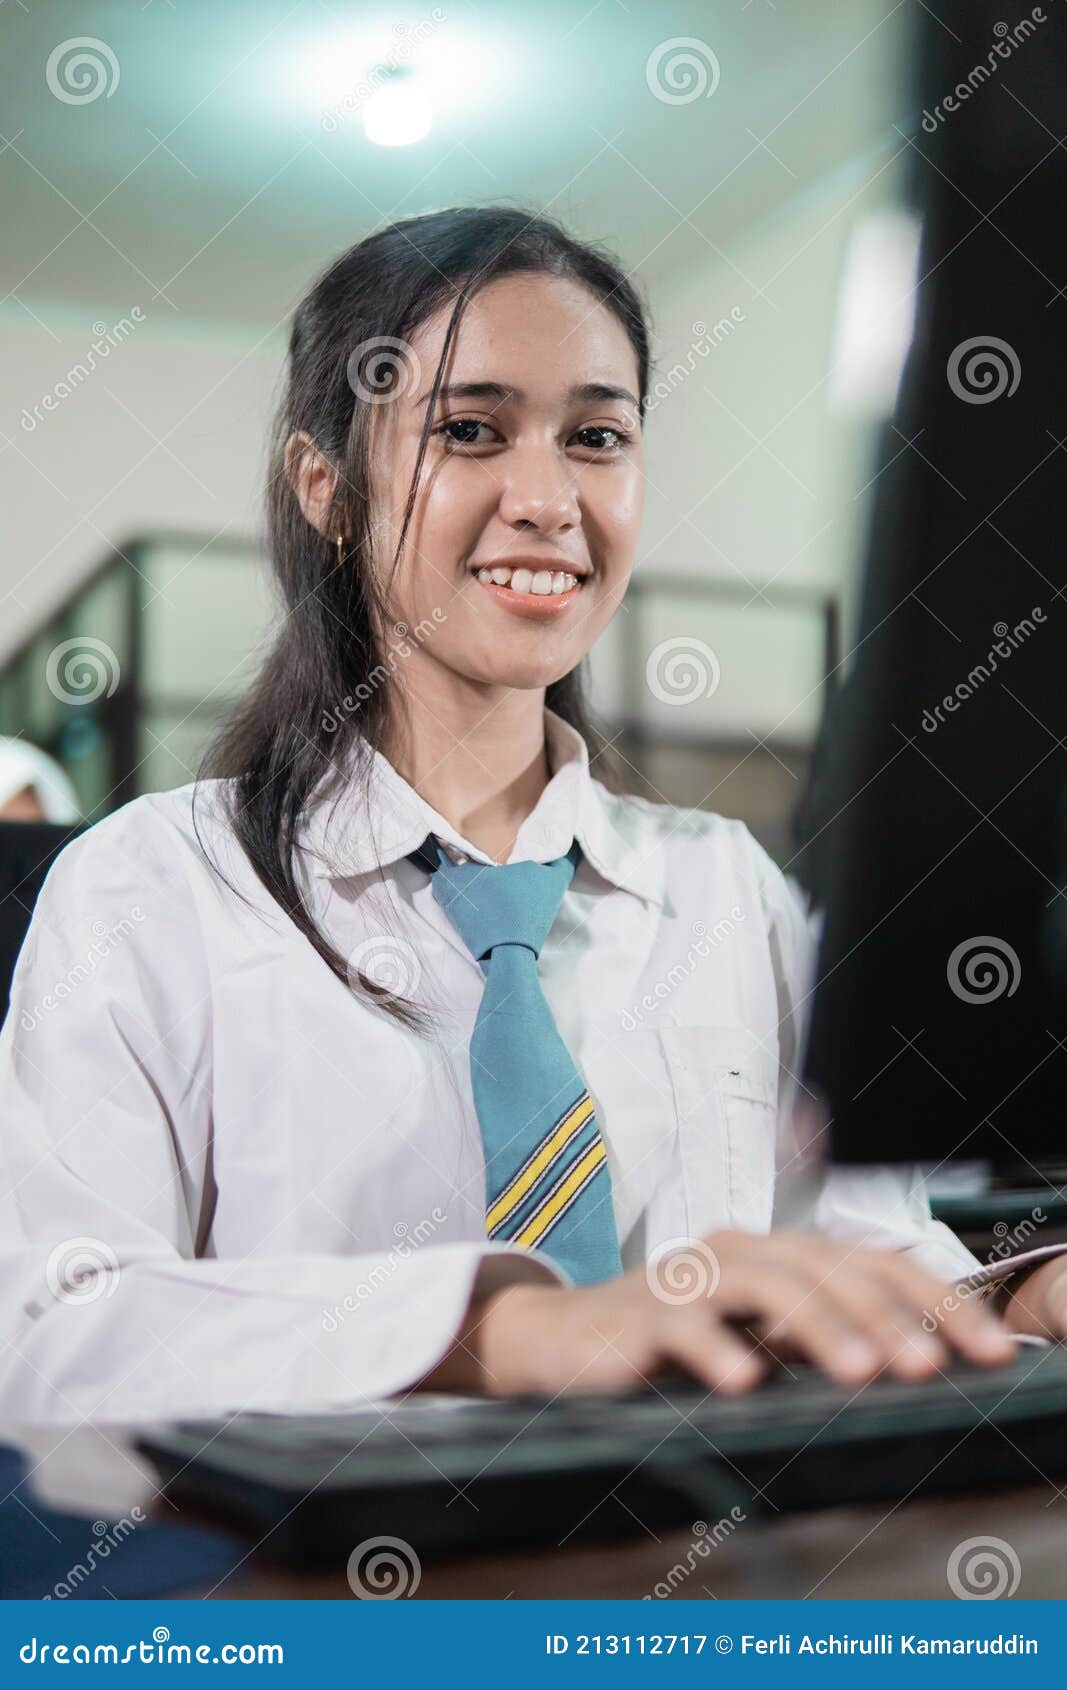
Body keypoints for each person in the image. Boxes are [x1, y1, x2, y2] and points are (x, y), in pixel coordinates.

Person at [2, 207, 1064, 1427]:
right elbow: (52, 1323)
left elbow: (858, 1256)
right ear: (326, 489)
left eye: (596, 436)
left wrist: (1018, 1296)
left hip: (703, 1574)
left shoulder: (726, 885)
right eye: (470, 430)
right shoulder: (152, 885)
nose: (548, 499)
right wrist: (514, 1328)